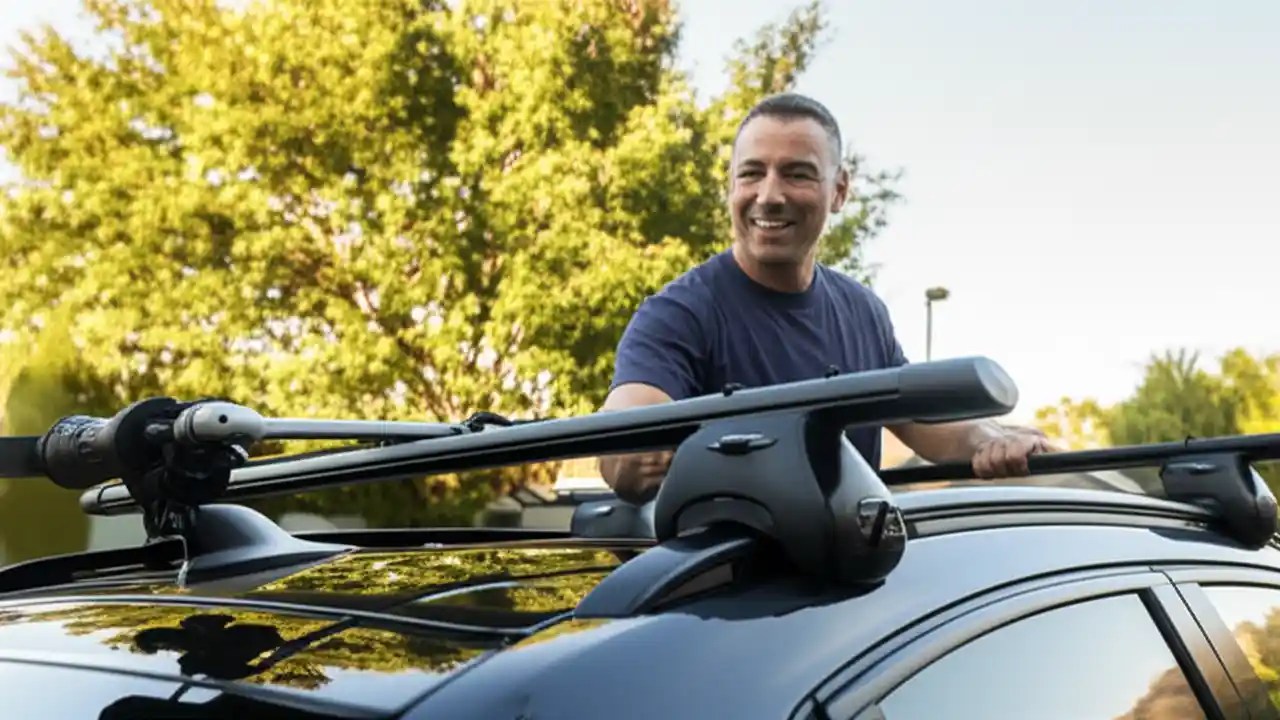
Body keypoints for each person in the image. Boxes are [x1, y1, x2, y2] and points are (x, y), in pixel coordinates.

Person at [598, 92, 1056, 504]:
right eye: (752, 173)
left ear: (839, 191)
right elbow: (623, 446)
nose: (770, 195)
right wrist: (634, 449)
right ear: (731, 186)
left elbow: (923, 425)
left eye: (797, 174)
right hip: (721, 589)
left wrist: (989, 440)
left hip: (853, 585)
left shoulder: (863, 313)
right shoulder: (679, 312)